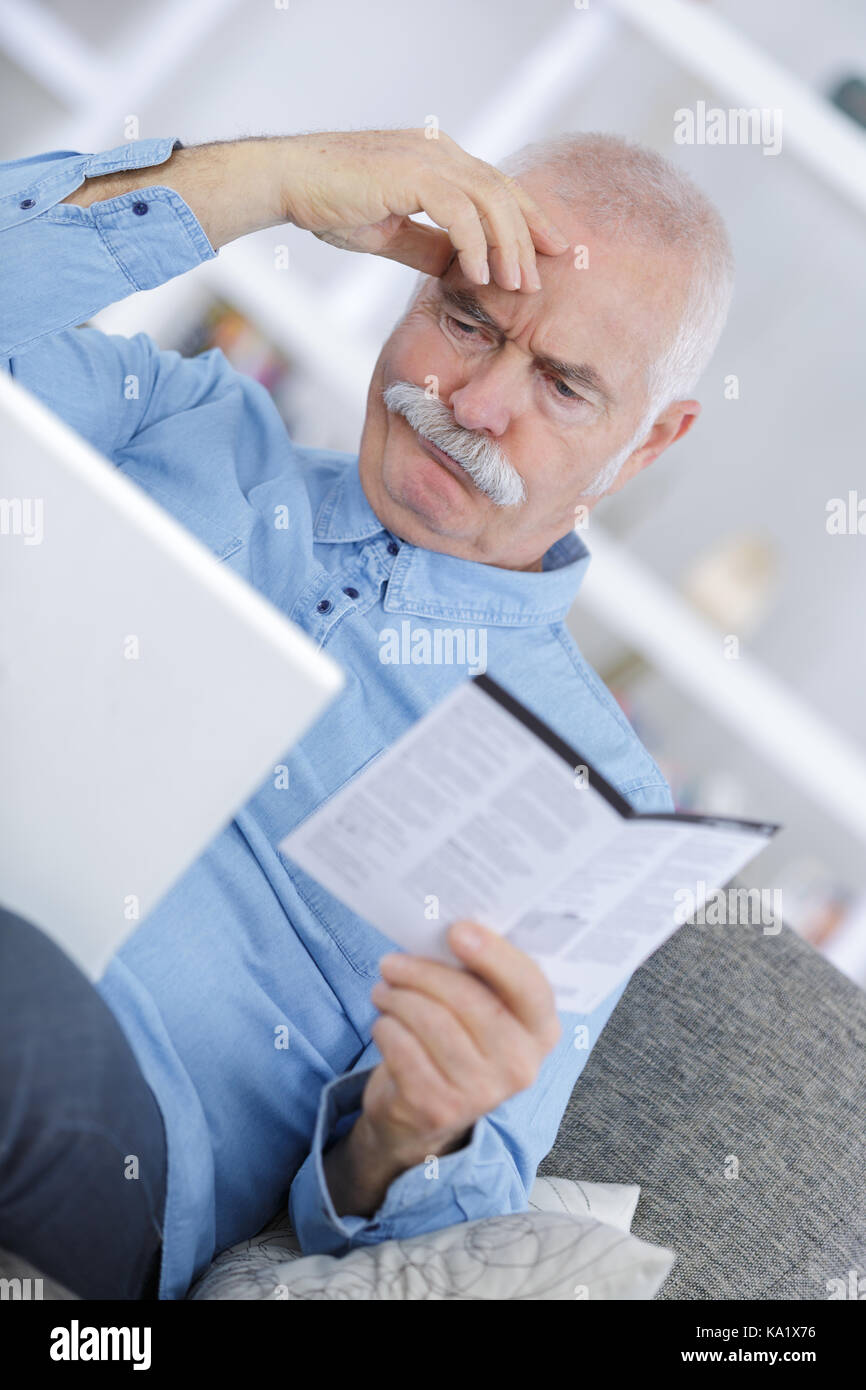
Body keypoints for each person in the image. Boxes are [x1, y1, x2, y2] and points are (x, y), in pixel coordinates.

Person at [0, 126, 733, 1299]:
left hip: (107, 1124)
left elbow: (441, 1213)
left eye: (561, 386)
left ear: (646, 441)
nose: (474, 404)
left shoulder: (589, 793)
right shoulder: (179, 420)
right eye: (465, 318)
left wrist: (412, 1127)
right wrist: (260, 180)